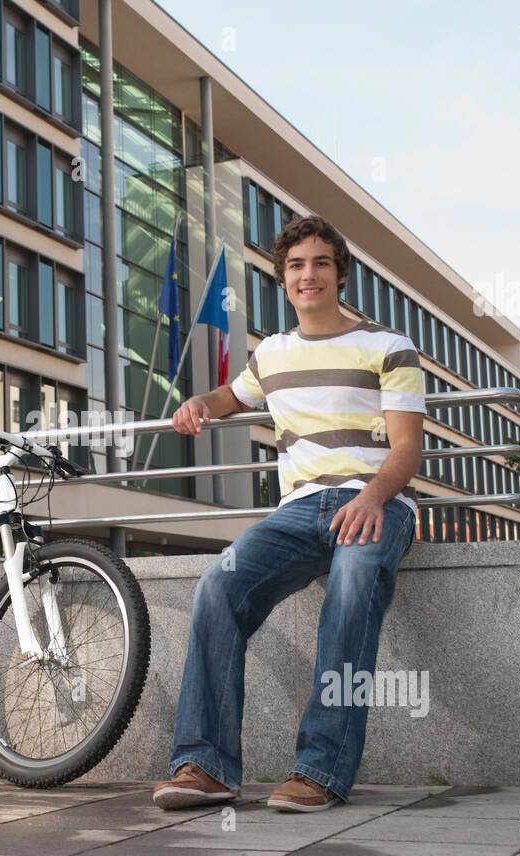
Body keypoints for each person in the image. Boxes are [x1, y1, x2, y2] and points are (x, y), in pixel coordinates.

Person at [153, 214, 425, 812]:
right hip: (299, 511)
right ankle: (207, 765)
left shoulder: (390, 346)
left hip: (378, 503)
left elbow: (408, 447)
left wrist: (374, 495)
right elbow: (234, 395)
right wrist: (201, 401)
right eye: (296, 265)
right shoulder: (272, 354)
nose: (309, 275)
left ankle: (321, 771)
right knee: (216, 589)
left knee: (352, 588)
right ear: (283, 279)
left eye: (321, 263)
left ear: (340, 273)